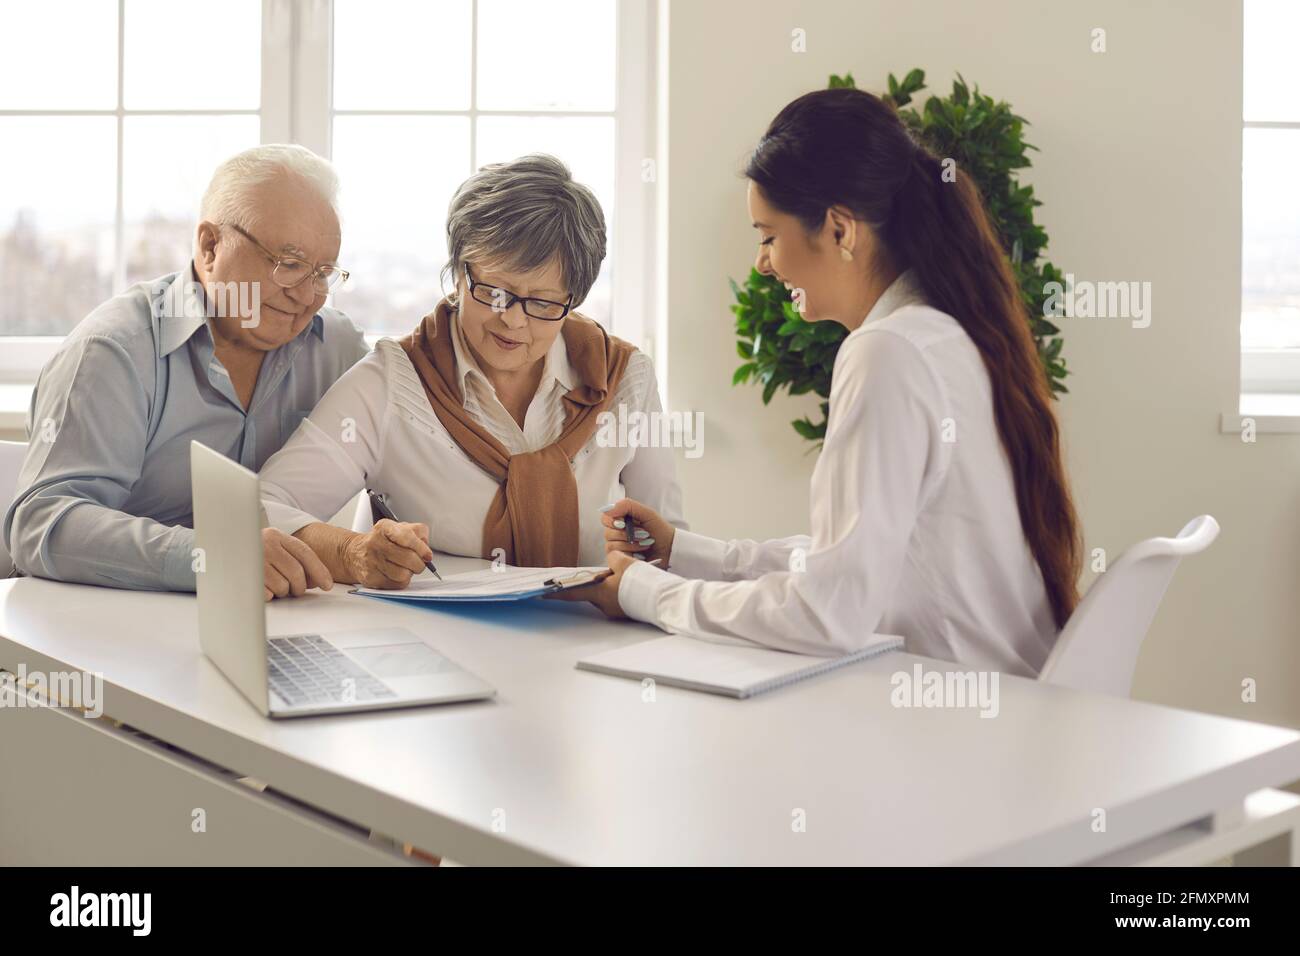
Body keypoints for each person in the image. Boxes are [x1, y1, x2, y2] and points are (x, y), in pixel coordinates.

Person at [567, 88, 1082, 677]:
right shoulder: (947, 334)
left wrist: (642, 593)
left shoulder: (887, 353)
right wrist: (684, 554)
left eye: (768, 236)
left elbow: (827, 614)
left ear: (839, 229)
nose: (762, 263)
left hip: (949, 724)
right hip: (999, 704)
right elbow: (852, 562)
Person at [258, 154, 685, 591]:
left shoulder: (625, 378)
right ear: (459, 275)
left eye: (542, 303)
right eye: (494, 292)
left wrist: (640, 578)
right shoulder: (391, 383)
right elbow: (263, 507)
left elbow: (670, 544)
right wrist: (353, 553)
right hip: (427, 646)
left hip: (593, 637)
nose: (513, 321)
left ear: (573, 299)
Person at [4, 144, 367, 596]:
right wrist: (214, 556)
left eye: (324, 272)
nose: (308, 294)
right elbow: (40, 525)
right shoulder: (113, 351)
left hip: (261, 625)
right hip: (99, 629)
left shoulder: (336, 348)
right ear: (211, 245)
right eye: (289, 265)